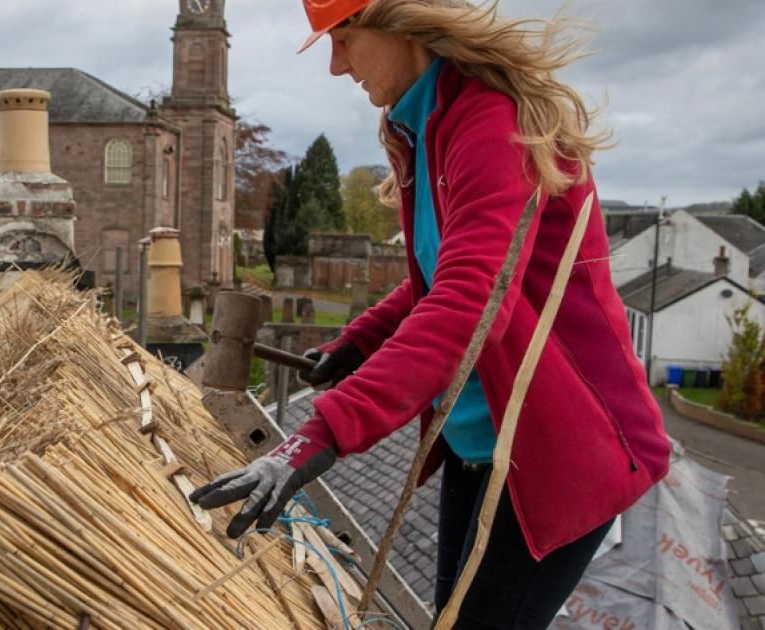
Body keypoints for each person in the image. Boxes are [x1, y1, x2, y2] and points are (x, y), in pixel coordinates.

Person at [189, 0, 671, 627]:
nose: (337, 66)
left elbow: (471, 303)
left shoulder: (491, 123)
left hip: (553, 448)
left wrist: (323, 432)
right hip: (481, 442)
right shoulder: (429, 124)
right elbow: (448, 268)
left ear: (399, 22)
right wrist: (363, 338)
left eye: (344, 39)